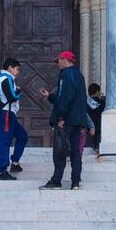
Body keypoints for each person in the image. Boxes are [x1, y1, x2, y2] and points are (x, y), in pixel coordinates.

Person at [39, 51, 94, 190]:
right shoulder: (79, 75)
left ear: (65, 60)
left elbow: (65, 98)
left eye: (58, 61)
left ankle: (56, 181)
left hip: (67, 120)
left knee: (60, 150)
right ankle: (76, 181)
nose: (57, 64)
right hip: (78, 121)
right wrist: (51, 96)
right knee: (75, 151)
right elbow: (74, 98)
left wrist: (59, 117)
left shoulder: (65, 74)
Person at [0, 58, 29, 180]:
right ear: (10, 68)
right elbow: (12, 96)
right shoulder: (6, 78)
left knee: (22, 136)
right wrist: (19, 91)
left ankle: (14, 162)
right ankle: (1, 171)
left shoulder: (5, 78)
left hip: (10, 114)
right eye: (17, 69)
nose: (18, 72)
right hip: (7, 113)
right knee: (5, 141)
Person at [87, 83, 106, 154]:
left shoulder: (86, 101)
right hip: (99, 126)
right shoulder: (101, 102)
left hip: (88, 127)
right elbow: (101, 111)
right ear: (97, 92)